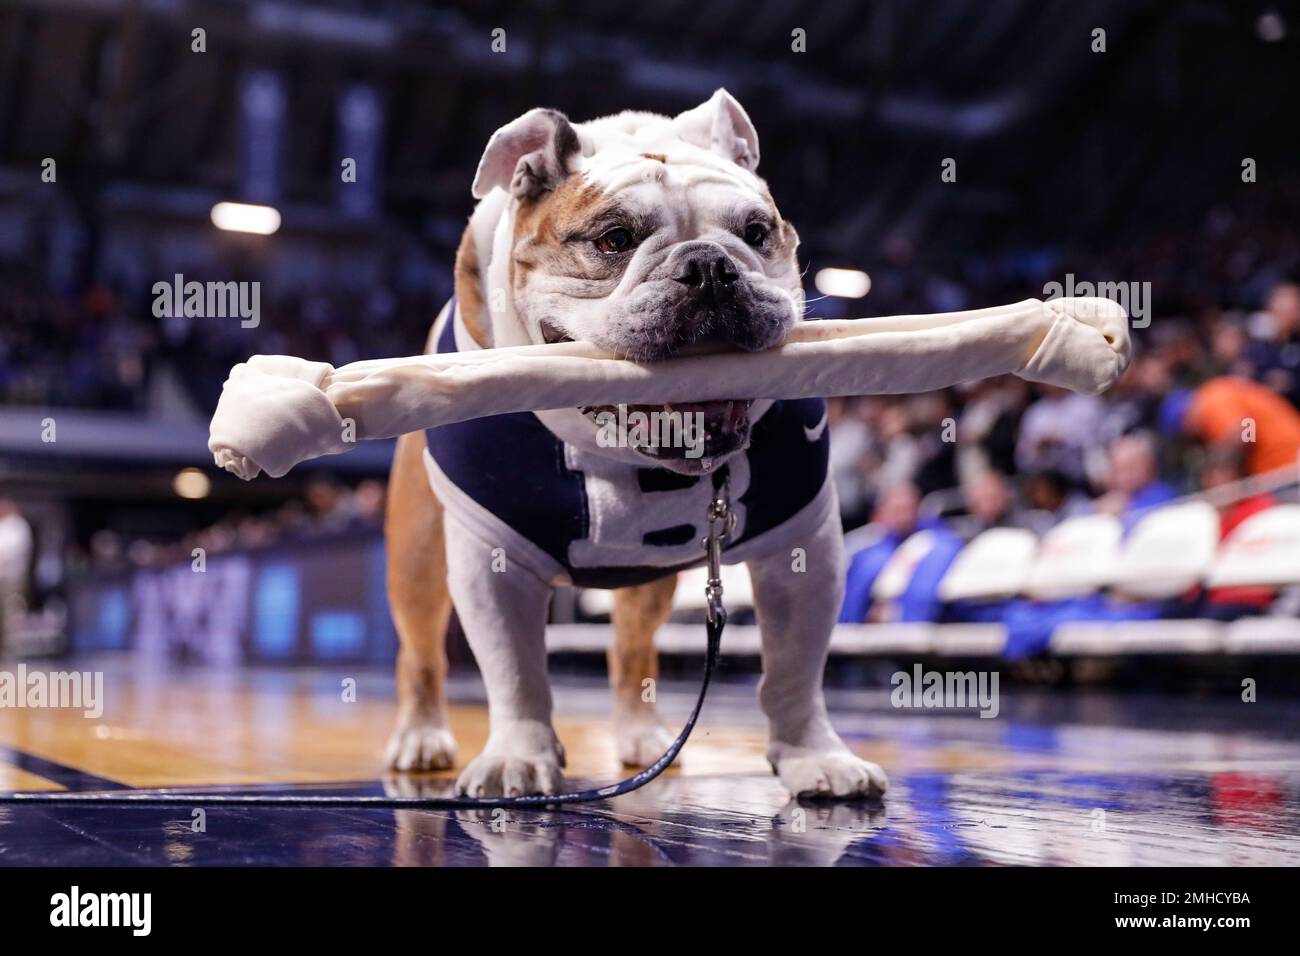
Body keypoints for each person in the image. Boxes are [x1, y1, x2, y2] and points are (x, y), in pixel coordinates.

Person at [1183, 376, 1300, 475]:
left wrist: (1219, 465)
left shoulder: (1211, 402)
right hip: (1284, 459)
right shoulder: (1216, 391)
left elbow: (1244, 432)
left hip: (1285, 460)